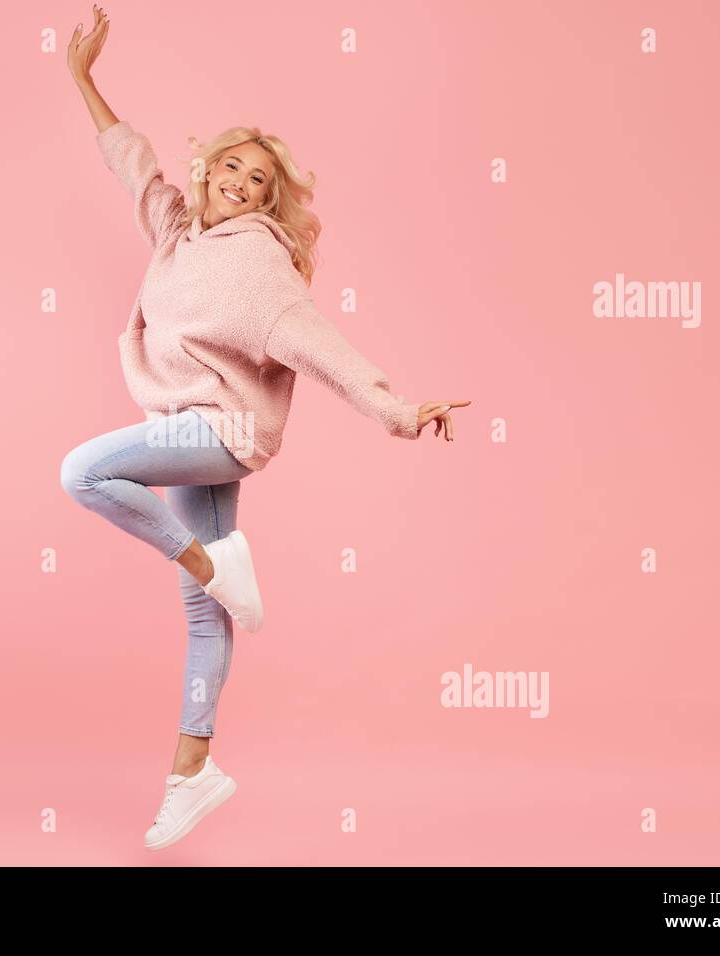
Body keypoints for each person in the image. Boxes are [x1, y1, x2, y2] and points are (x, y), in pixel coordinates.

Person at [61, 4, 470, 852]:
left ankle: (216, 562)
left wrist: (400, 410)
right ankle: (191, 772)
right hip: (183, 425)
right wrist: (83, 77)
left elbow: (321, 347)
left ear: (267, 201)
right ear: (207, 172)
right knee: (207, 613)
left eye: (259, 182)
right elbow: (132, 164)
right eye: (233, 171)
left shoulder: (259, 261)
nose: (243, 187)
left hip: (220, 433)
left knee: (84, 473)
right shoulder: (176, 232)